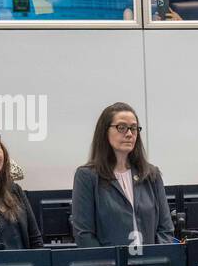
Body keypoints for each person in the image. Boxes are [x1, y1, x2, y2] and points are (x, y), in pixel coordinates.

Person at [71, 103, 174, 248]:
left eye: (133, 128)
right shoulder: (87, 176)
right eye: (121, 127)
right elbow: (84, 235)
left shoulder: (151, 174)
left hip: (151, 265)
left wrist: (155, 261)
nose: (129, 134)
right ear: (104, 131)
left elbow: (166, 230)